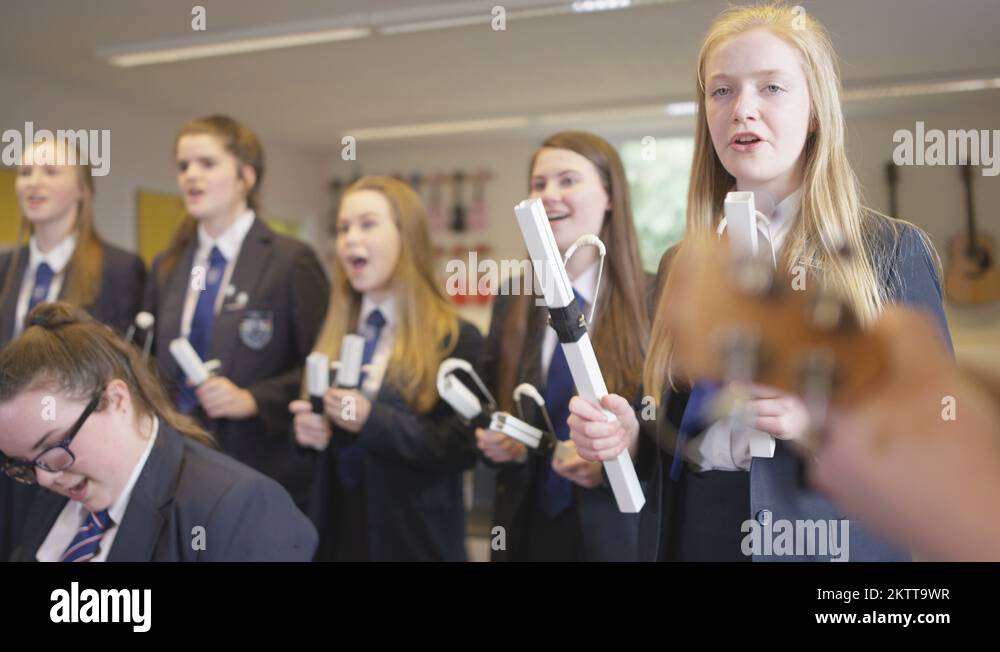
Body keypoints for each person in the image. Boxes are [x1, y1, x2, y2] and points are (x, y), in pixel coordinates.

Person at [568, 2, 951, 561]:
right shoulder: (683, 263)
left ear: (816, 109)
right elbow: (678, 436)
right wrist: (628, 436)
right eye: (722, 91)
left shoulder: (888, 252)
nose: (742, 109)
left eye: (771, 88)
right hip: (696, 534)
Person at [0, 303, 317, 562]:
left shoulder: (238, 509)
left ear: (115, 399)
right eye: (24, 465)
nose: (43, 478)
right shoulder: (56, 490)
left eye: (55, 446)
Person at [477, 131, 653, 561]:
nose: (549, 195)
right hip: (524, 530)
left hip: (613, 533)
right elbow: (489, 403)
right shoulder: (514, 299)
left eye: (568, 181)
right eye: (539, 184)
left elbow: (664, 422)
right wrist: (498, 438)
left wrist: (613, 456)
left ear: (610, 196)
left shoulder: (654, 299)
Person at [290, 176, 482, 561]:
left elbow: (460, 447)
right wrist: (307, 434)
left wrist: (370, 420)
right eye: (343, 228)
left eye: (367, 223)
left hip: (413, 544)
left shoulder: (455, 337)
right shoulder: (331, 331)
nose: (349, 238)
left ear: (406, 236)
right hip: (336, 539)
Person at [143, 115, 329, 509]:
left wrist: (255, 399)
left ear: (246, 176)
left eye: (207, 163)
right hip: (178, 461)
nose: (191, 175)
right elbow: (151, 361)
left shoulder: (289, 260)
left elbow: (321, 365)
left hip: (259, 465)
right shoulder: (170, 265)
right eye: (183, 166)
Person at [0, 136, 145, 561]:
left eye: (50, 171)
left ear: (82, 187)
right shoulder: (6, 267)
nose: (33, 183)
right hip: (10, 453)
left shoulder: (119, 269)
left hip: (69, 455)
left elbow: (130, 366)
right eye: (25, 172)